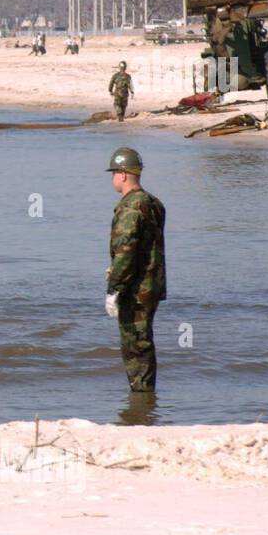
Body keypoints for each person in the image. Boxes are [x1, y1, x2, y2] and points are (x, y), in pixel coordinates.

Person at [105, 147, 166, 393]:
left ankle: (141, 401)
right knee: (143, 343)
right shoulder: (154, 203)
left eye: (113, 174)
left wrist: (114, 289)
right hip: (151, 284)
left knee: (135, 347)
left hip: (135, 288)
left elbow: (125, 251)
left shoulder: (130, 207)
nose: (112, 180)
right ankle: (145, 398)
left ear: (122, 174)